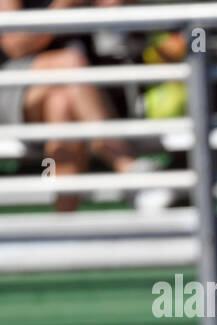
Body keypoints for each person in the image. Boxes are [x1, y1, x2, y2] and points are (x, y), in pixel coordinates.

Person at [0, 0, 169, 212]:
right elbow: (16, 44)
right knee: (70, 64)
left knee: (61, 104)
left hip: (78, 90)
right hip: (14, 86)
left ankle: (65, 225)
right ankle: (126, 165)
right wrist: (63, 6)